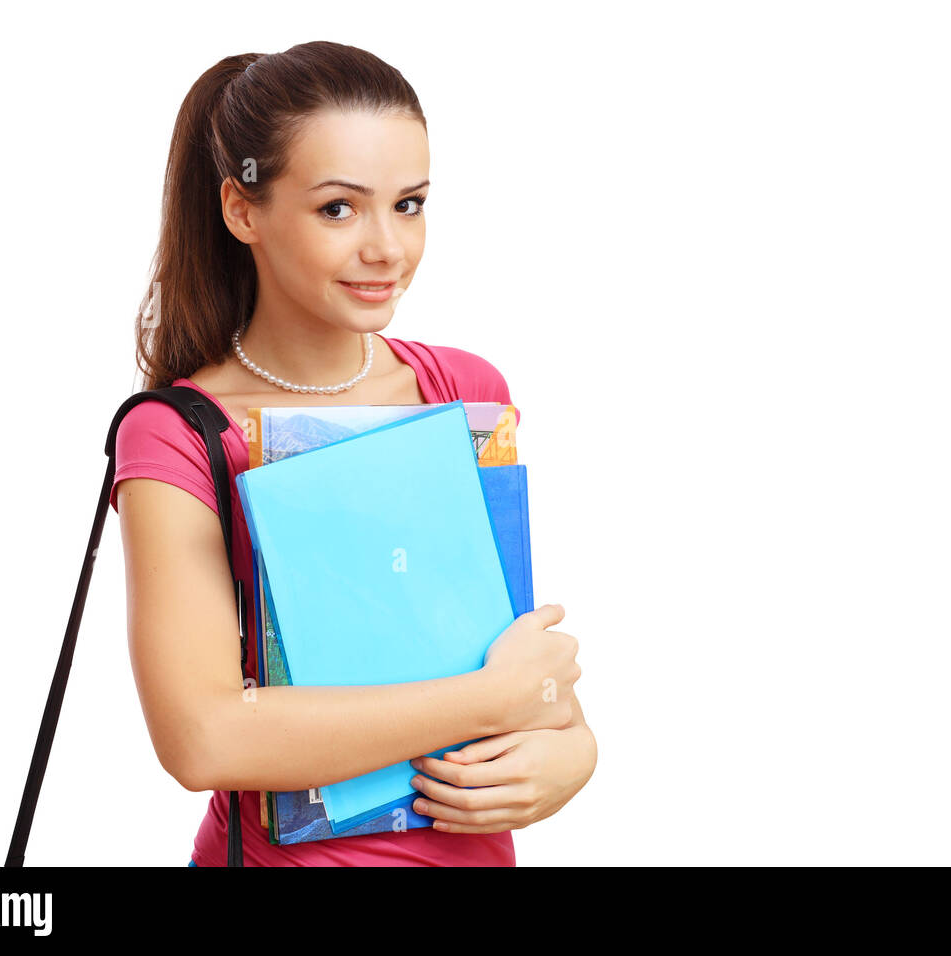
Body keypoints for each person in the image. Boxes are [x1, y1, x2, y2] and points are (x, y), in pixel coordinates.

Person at [110, 41, 596, 866]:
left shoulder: (463, 391)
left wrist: (571, 756)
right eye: (339, 208)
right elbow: (202, 738)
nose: (386, 248)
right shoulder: (180, 431)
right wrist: (488, 698)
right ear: (243, 210)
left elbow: (520, 672)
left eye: (409, 204)